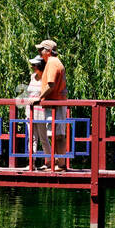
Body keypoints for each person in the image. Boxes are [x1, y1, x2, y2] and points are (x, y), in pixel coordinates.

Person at [36, 39, 69, 170]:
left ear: (48, 51)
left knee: (57, 134)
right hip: (57, 103)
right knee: (57, 134)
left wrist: (39, 98)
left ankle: (60, 164)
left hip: (55, 104)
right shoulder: (54, 62)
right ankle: (59, 163)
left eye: (41, 50)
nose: (39, 53)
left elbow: (51, 85)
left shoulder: (52, 63)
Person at [23, 56, 50, 170]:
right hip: (30, 111)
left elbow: (47, 93)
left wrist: (39, 98)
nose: (32, 67)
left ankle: (49, 162)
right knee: (32, 138)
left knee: (43, 138)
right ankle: (31, 163)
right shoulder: (32, 77)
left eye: (34, 65)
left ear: (39, 66)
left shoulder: (46, 78)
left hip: (41, 112)